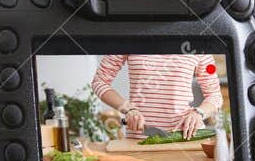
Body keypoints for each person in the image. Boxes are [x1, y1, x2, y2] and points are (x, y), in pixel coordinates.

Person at [89, 51, 222, 140]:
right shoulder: (128, 34)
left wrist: (199, 113)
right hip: (139, 140)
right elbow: (99, 82)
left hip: (186, 137)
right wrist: (128, 108)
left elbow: (215, 94)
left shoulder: (199, 42)